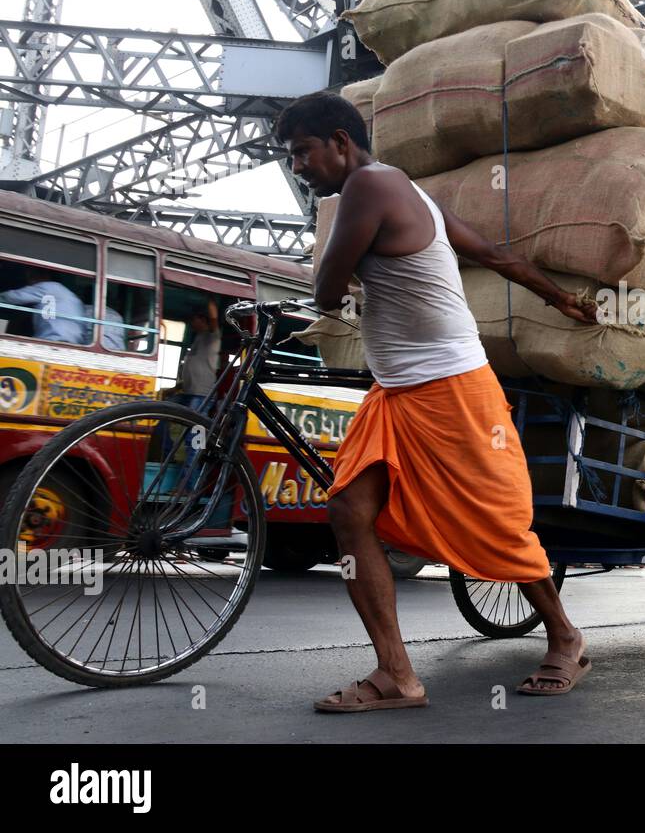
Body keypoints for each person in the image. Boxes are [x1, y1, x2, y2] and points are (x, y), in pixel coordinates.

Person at [278, 91, 600, 710]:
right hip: (396, 394)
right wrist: (560, 298)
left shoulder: (369, 188)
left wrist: (327, 280)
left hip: (452, 388)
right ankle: (396, 675)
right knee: (348, 512)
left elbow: (325, 291)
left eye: (302, 153)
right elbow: (493, 256)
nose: (299, 167)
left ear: (340, 142)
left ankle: (565, 636)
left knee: (496, 525)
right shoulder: (405, 191)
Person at [0, 270, 87, 344]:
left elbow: (13, 297)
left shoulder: (50, 287)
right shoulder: (71, 297)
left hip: (54, 340)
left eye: (30, 275)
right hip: (72, 343)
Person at [175, 301, 221, 411]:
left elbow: (214, 319)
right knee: (165, 410)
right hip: (189, 392)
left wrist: (210, 299)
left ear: (203, 320)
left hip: (202, 394)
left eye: (193, 319)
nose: (191, 323)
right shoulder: (198, 338)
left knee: (195, 426)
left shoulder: (211, 336)